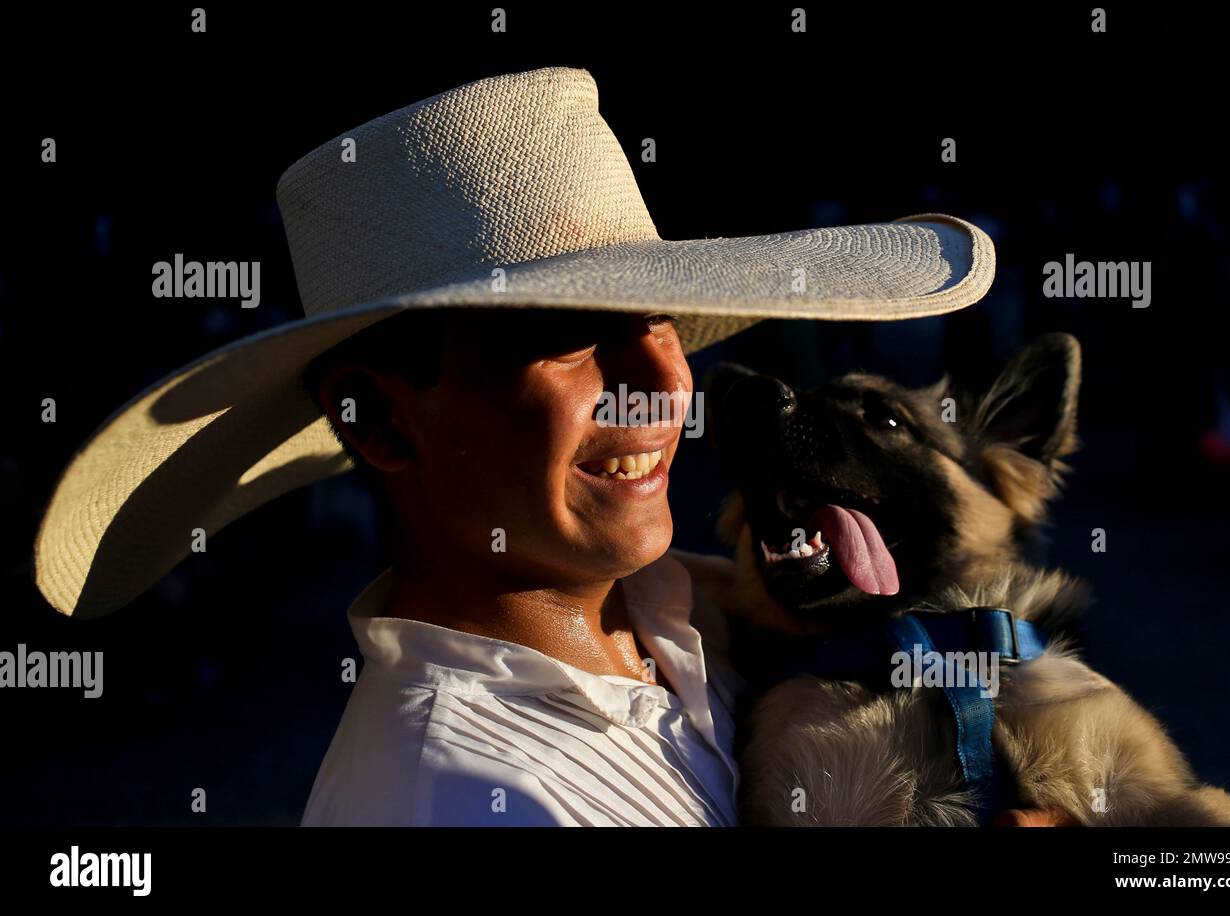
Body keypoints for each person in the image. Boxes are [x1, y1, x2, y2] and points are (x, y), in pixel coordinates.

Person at [32, 67, 1003, 825]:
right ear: (376, 420)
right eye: (571, 334)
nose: (667, 382)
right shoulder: (452, 798)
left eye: (657, 315)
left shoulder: (684, 607)